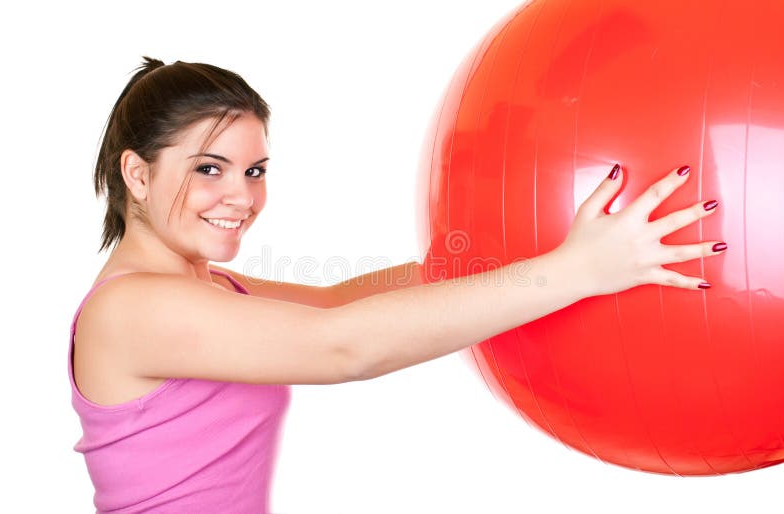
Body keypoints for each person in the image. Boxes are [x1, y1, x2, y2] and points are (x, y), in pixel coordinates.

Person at [68, 56, 726, 513]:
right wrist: (579, 271)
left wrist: (513, 253)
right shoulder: (133, 309)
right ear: (137, 173)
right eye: (210, 169)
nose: (241, 197)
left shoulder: (204, 287)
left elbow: (337, 302)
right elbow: (342, 345)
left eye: (255, 169)